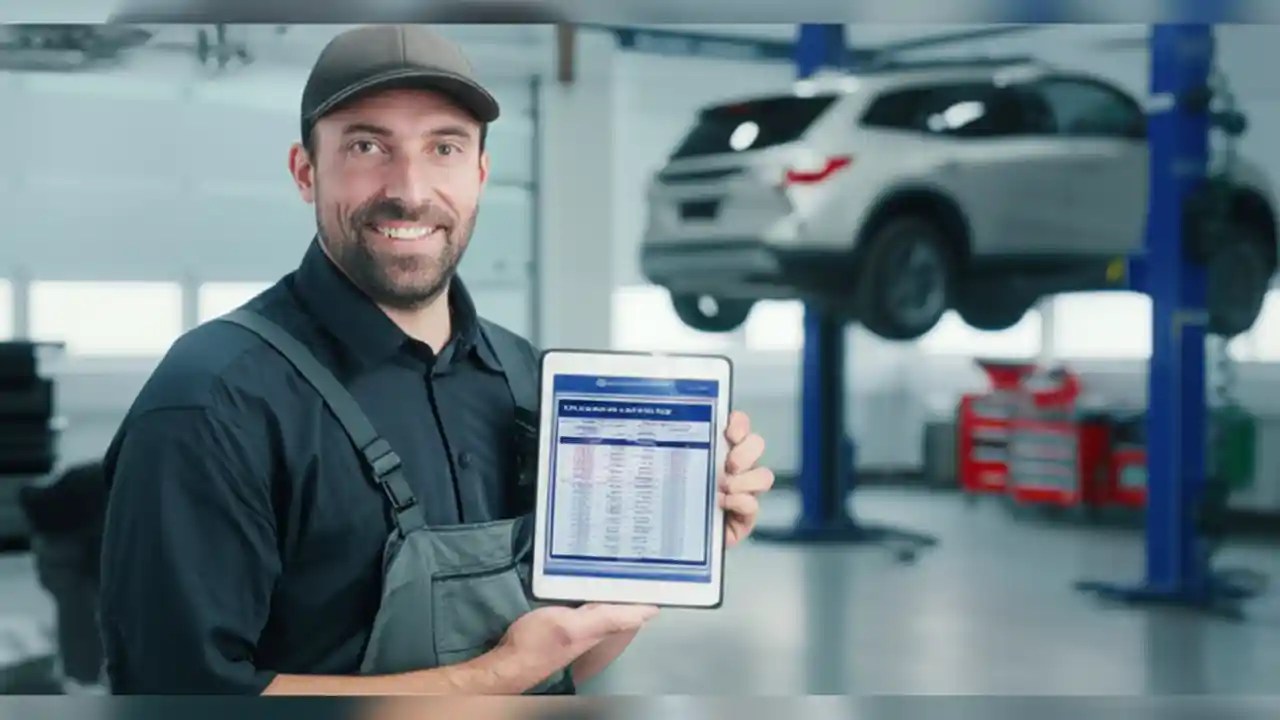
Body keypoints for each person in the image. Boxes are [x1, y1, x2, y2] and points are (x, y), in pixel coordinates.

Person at [99, 25, 775, 696]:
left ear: (480, 173)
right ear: (306, 172)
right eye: (367, 145)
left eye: (444, 147)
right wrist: (492, 676)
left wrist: (675, 541)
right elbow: (178, 697)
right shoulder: (214, 399)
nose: (410, 189)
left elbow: (560, 663)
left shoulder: (526, 380)